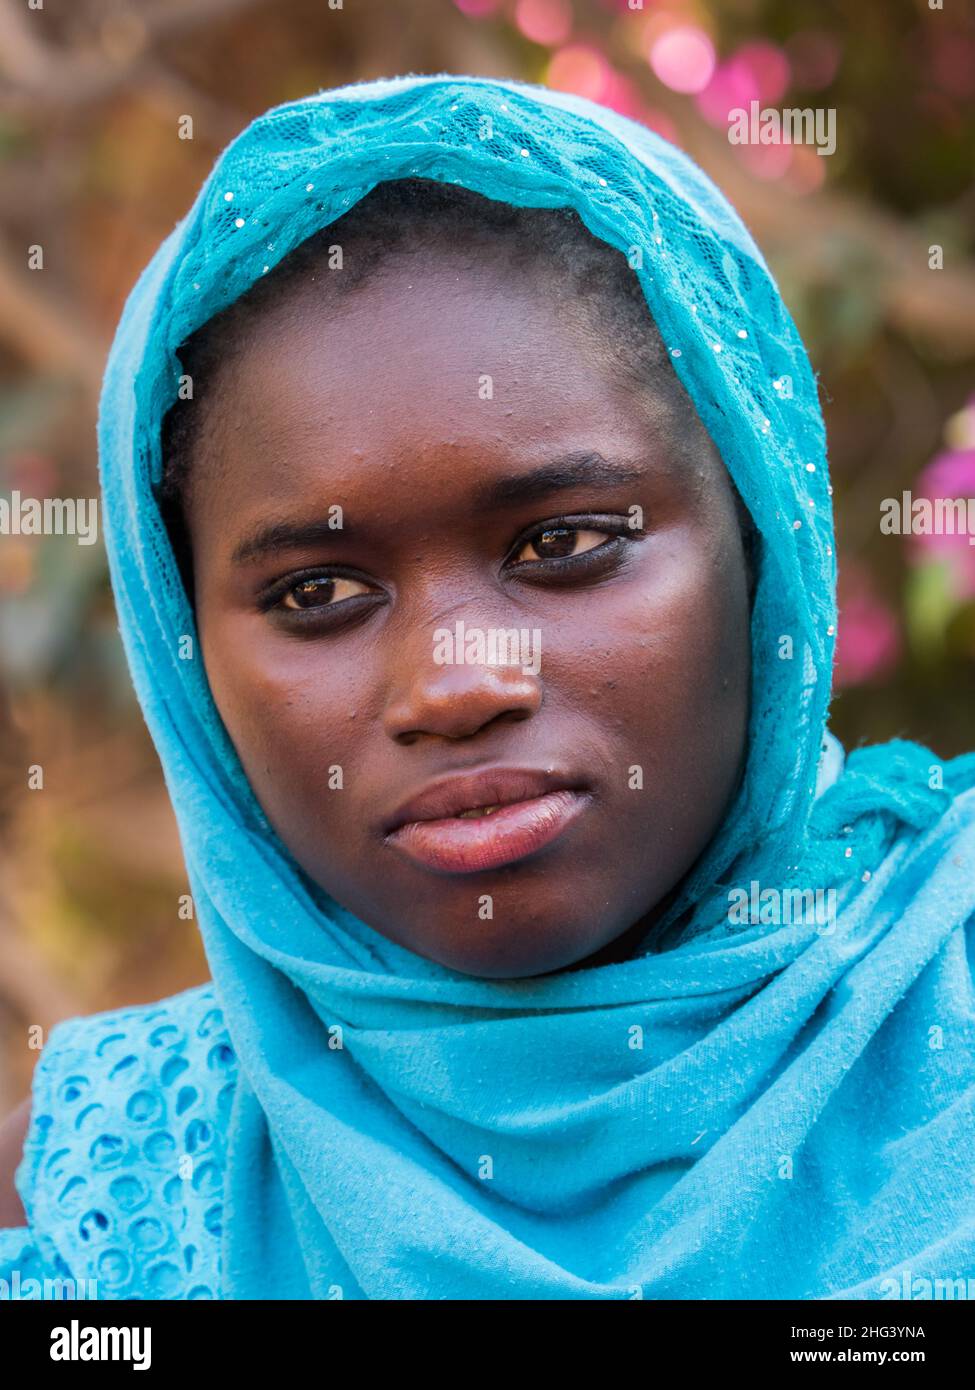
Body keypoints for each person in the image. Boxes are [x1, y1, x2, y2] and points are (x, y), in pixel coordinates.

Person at [1, 72, 973, 1301]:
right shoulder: (90, 1213)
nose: (457, 685)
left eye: (564, 545)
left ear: (760, 538)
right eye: (317, 595)